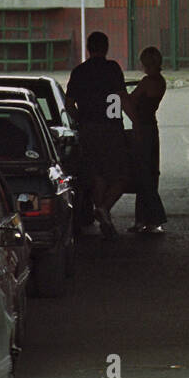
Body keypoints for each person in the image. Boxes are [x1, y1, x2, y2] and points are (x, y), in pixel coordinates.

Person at [66, 31, 128, 239]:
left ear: (88, 48)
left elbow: (69, 105)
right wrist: (135, 121)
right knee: (120, 175)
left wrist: (80, 121)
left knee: (97, 174)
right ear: (106, 47)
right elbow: (120, 97)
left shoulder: (79, 72)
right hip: (111, 128)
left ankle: (103, 212)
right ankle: (104, 209)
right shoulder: (113, 69)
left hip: (89, 130)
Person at [124, 46, 167, 235]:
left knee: (141, 174)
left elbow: (131, 101)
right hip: (152, 128)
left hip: (141, 129)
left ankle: (150, 217)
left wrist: (120, 94)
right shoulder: (161, 82)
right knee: (150, 172)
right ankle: (145, 219)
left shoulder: (146, 82)